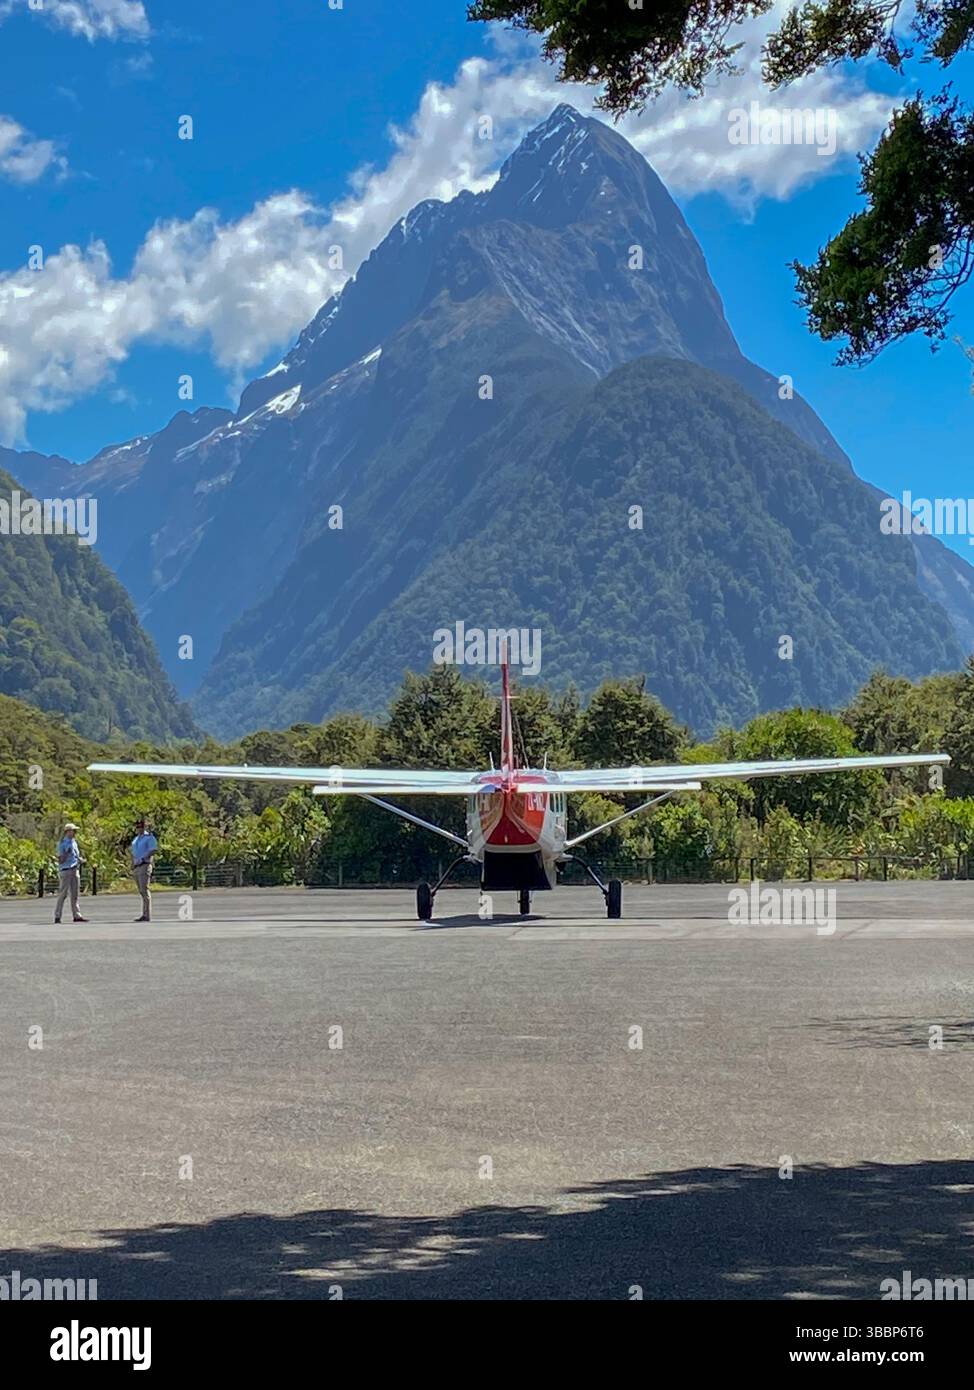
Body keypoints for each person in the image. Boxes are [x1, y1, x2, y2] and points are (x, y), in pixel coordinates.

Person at [54, 822, 88, 924]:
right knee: (63, 894)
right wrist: (66, 853)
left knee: (75, 894)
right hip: (66, 870)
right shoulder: (62, 843)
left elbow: (75, 856)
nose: (75, 833)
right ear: (67, 832)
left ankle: (77, 915)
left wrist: (80, 860)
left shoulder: (74, 842)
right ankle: (57, 915)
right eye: (73, 831)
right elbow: (60, 860)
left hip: (74, 869)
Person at [131, 817, 158, 922]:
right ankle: (144, 913)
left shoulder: (149, 837)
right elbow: (133, 852)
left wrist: (144, 858)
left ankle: (147, 914)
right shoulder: (136, 839)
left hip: (144, 864)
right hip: (137, 866)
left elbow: (153, 849)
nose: (139, 828)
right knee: (141, 891)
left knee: (145, 890)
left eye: (141, 826)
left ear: (144, 827)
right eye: (137, 827)